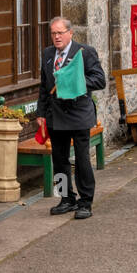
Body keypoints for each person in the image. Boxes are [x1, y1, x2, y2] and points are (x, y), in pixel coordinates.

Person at [37, 16, 105, 219]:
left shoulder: (84, 53)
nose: (56, 37)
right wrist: (40, 114)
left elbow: (100, 79)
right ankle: (66, 199)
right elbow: (44, 86)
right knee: (59, 160)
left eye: (60, 33)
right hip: (55, 114)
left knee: (82, 159)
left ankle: (85, 202)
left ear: (70, 33)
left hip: (79, 113)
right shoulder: (48, 54)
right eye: (53, 33)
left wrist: (76, 80)